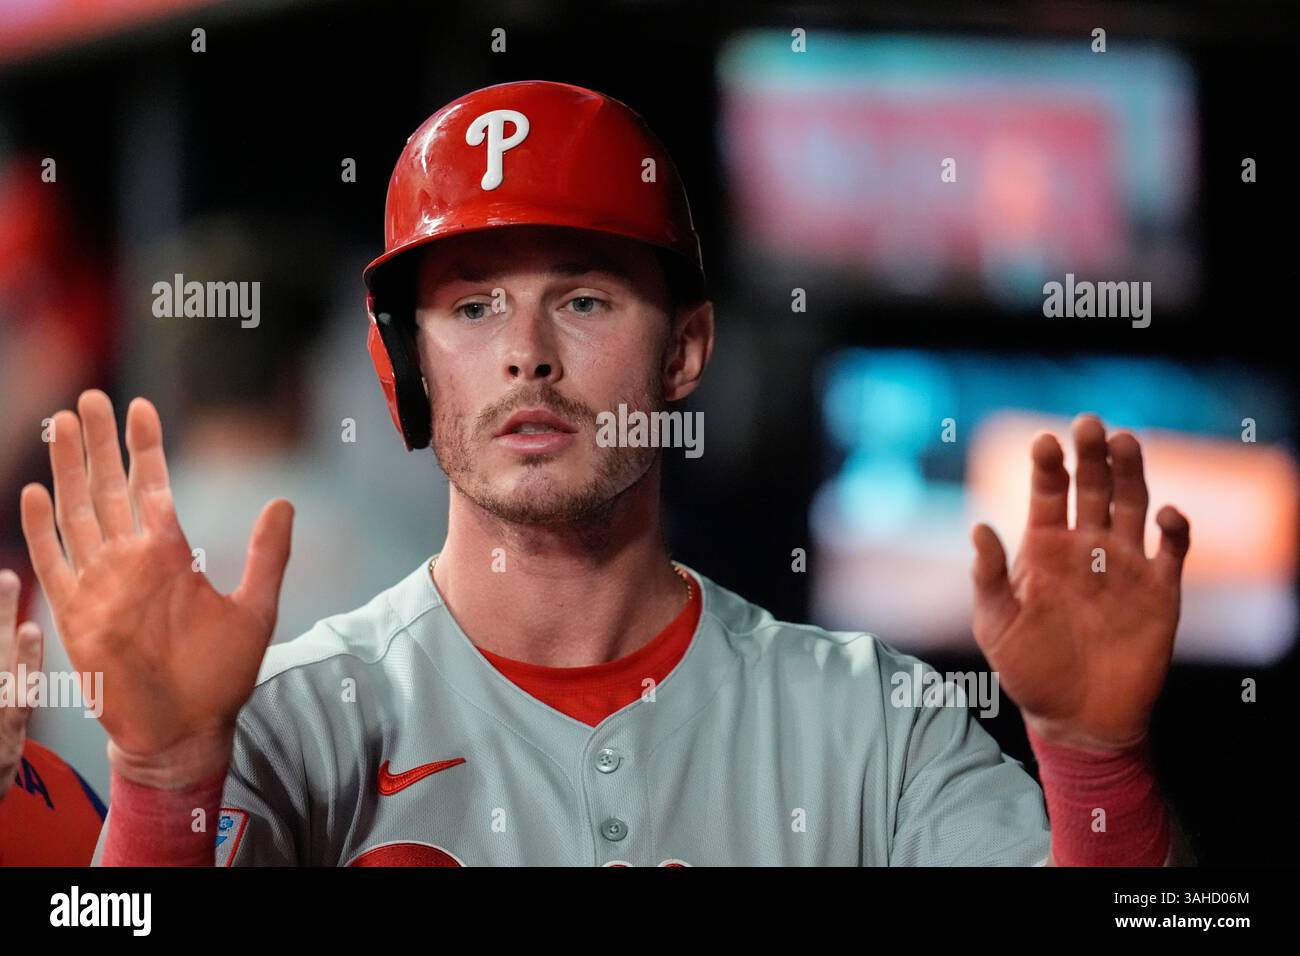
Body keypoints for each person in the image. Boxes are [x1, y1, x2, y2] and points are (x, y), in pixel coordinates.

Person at [14, 81, 1190, 866]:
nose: (527, 349)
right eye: (473, 306)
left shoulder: (872, 722)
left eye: (581, 297)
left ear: (684, 350)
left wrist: (1096, 765)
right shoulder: (289, 721)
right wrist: (165, 779)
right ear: (407, 370)